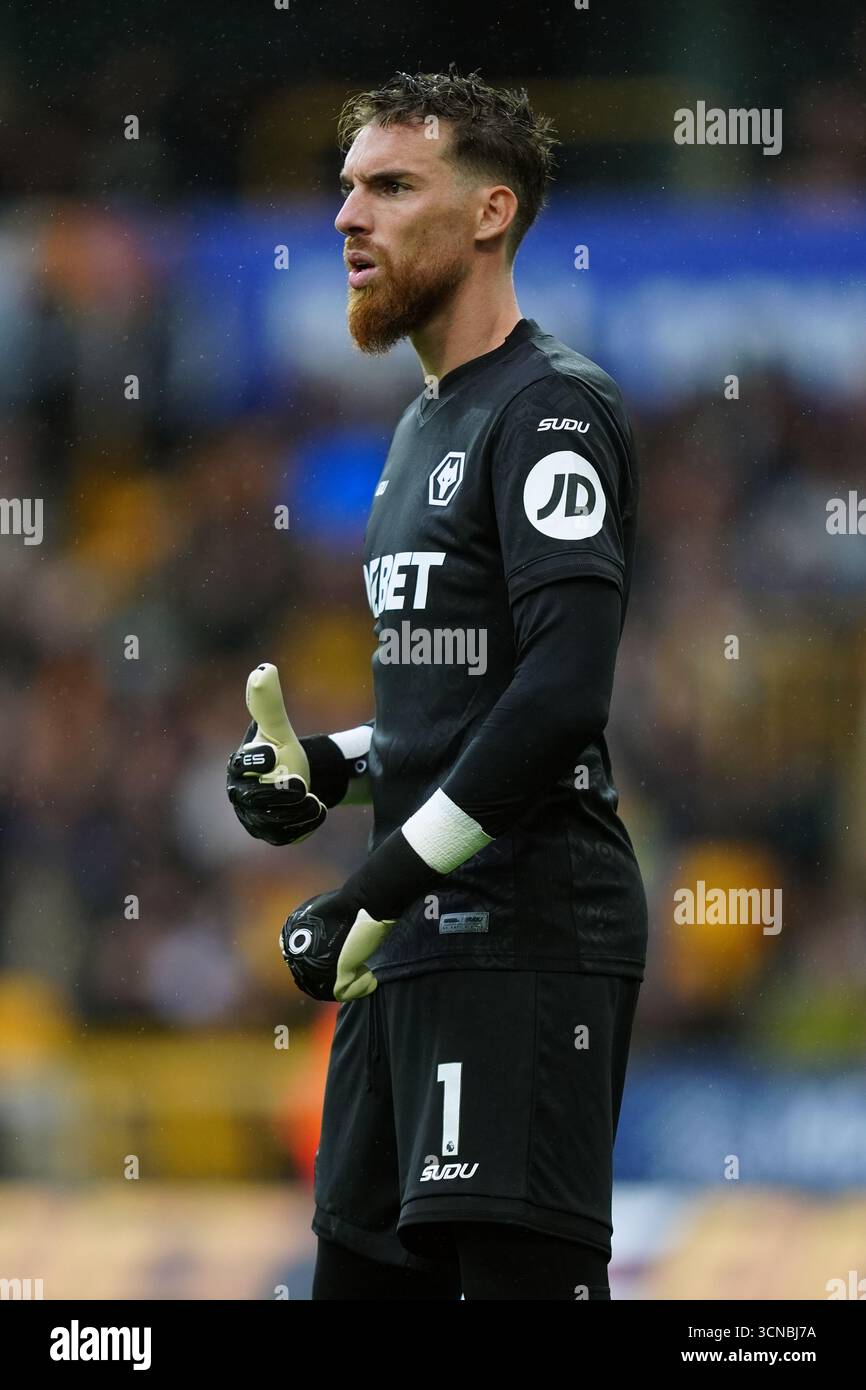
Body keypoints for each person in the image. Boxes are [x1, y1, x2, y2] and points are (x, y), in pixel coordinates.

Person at [227, 65, 647, 1301]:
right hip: (405, 948)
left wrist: (374, 878)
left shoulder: (550, 409)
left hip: (523, 935)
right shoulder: (419, 425)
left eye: (391, 186)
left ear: (488, 212)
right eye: (346, 188)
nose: (347, 217)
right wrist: (333, 763)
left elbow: (561, 692)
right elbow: (464, 690)